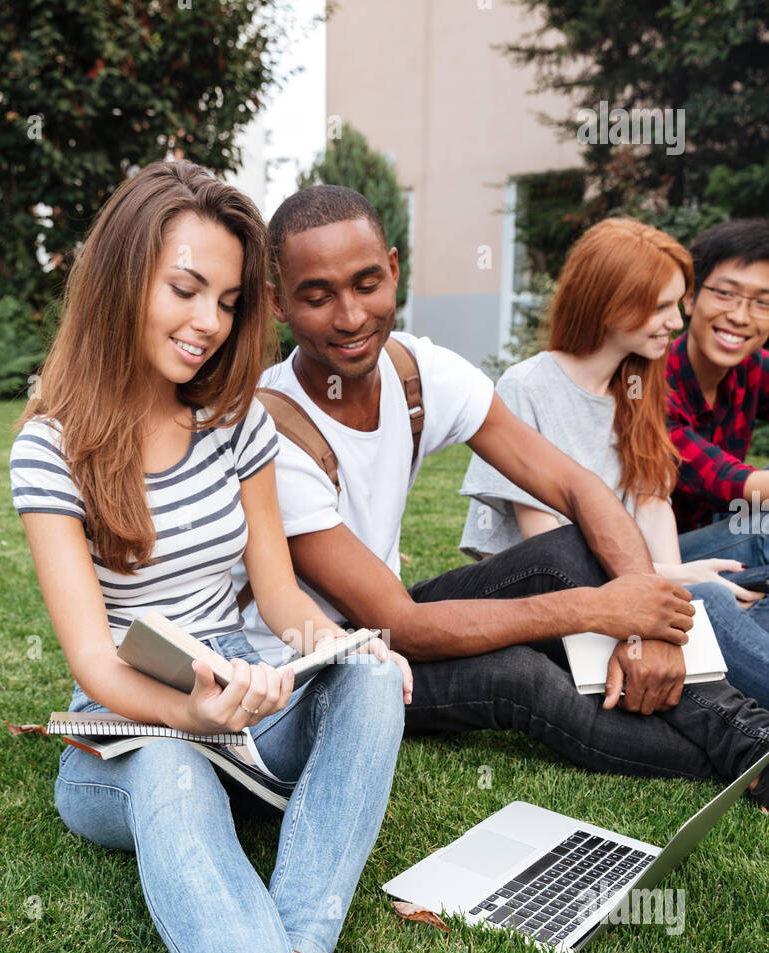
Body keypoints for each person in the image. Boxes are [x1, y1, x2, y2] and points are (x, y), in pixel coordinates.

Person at [9, 161, 412, 953]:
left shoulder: (237, 422)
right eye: (186, 288)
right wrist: (191, 709)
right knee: (166, 751)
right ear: (123, 275)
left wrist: (339, 645)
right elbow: (97, 662)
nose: (207, 322)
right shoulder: (49, 447)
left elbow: (279, 592)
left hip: (244, 681)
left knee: (373, 682)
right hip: (123, 737)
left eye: (229, 301)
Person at [235, 183, 769, 803]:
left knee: (566, 551)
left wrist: (644, 612)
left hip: (383, 614)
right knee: (520, 678)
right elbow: (399, 625)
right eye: (317, 296)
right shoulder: (273, 431)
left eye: (366, 283)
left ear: (394, 270)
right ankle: (753, 760)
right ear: (277, 301)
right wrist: (601, 611)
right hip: (314, 667)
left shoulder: (419, 372)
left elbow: (575, 485)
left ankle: (752, 736)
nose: (351, 317)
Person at [459, 216, 769, 710]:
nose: (677, 321)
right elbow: (550, 551)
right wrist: (674, 581)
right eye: (662, 307)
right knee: (705, 603)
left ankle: (736, 643)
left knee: (760, 541)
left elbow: (651, 499)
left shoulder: (639, 384)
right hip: (563, 602)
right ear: (611, 302)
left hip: (639, 575)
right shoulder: (527, 386)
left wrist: (670, 574)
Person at [665, 219, 769, 575]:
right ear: (690, 297)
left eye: (762, 303)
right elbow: (730, 481)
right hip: (657, 560)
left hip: (720, 528)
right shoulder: (649, 385)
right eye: (725, 294)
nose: (740, 317)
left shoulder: (751, 367)